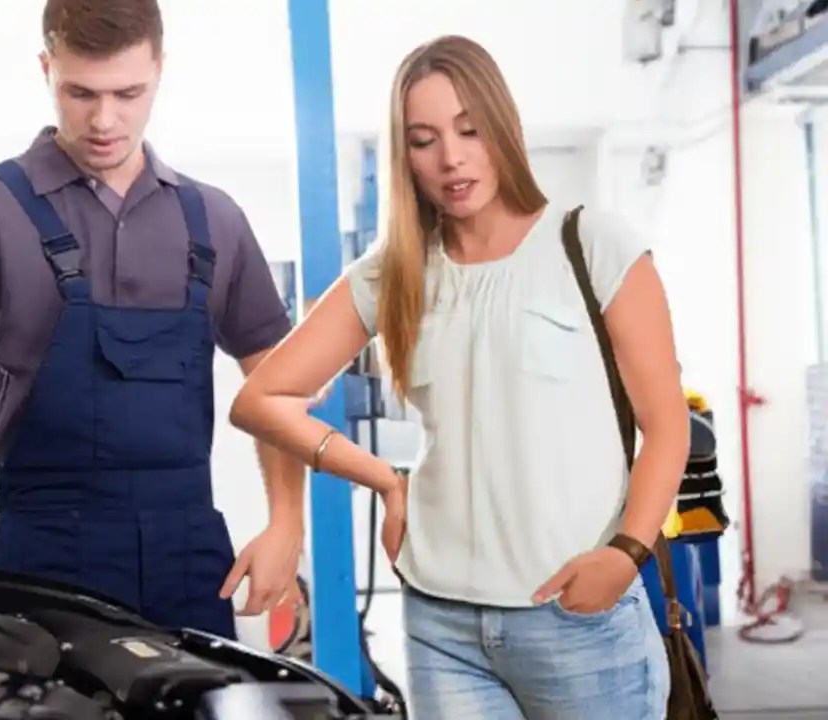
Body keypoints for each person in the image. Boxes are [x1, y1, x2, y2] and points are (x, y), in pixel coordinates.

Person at [0, 0, 306, 640]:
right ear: (46, 68)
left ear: (160, 68)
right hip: (46, 556)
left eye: (128, 93)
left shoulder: (214, 220)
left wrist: (288, 521)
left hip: (191, 558)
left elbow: (277, 377)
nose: (105, 120)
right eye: (80, 92)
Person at [228, 35, 687, 718]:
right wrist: (383, 478)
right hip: (441, 622)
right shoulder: (393, 273)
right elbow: (260, 399)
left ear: (502, 126)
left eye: (469, 129)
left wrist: (625, 553)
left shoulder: (592, 243)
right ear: (404, 154)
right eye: (424, 139)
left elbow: (668, 425)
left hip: (574, 613)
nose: (451, 157)